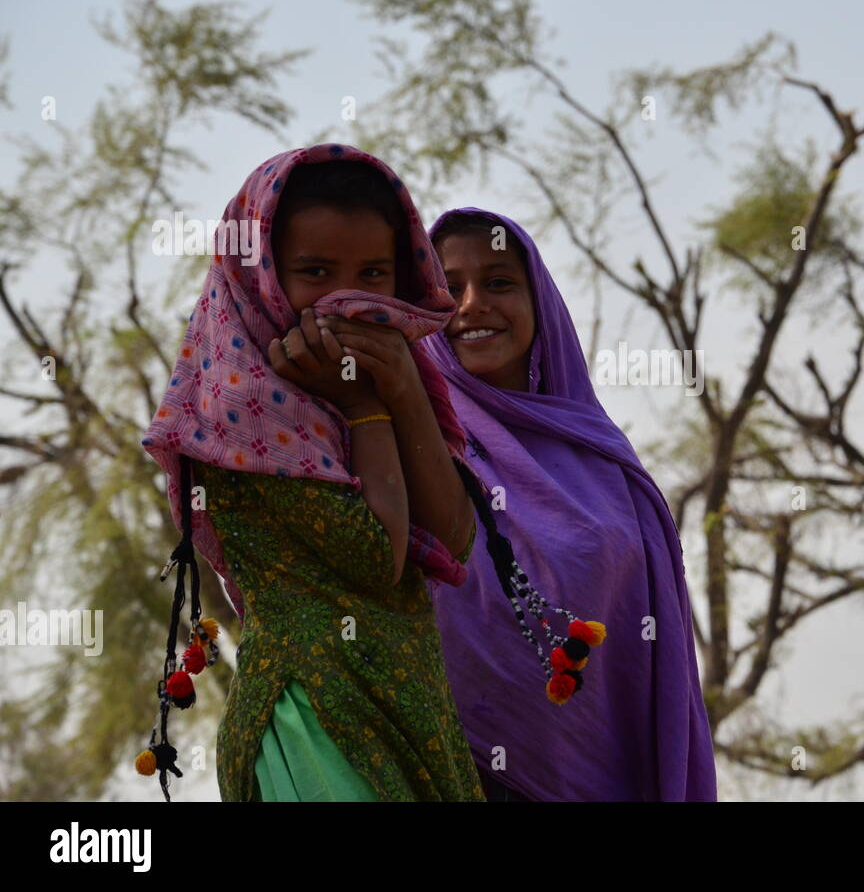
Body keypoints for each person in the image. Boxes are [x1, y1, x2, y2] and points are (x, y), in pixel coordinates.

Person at [138, 144, 485, 802]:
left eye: (373, 273)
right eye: (316, 271)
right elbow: (377, 553)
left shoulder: (393, 376)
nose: (347, 298)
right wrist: (363, 407)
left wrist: (401, 389)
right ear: (260, 272)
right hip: (316, 723)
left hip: (397, 713)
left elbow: (453, 535)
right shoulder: (243, 400)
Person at [422, 207, 718, 801]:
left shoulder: (606, 463)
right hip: (439, 771)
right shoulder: (404, 435)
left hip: (601, 778)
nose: (473, 304)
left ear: (542, 306)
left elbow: (654, 658)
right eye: (448, 289)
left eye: (499, 282)